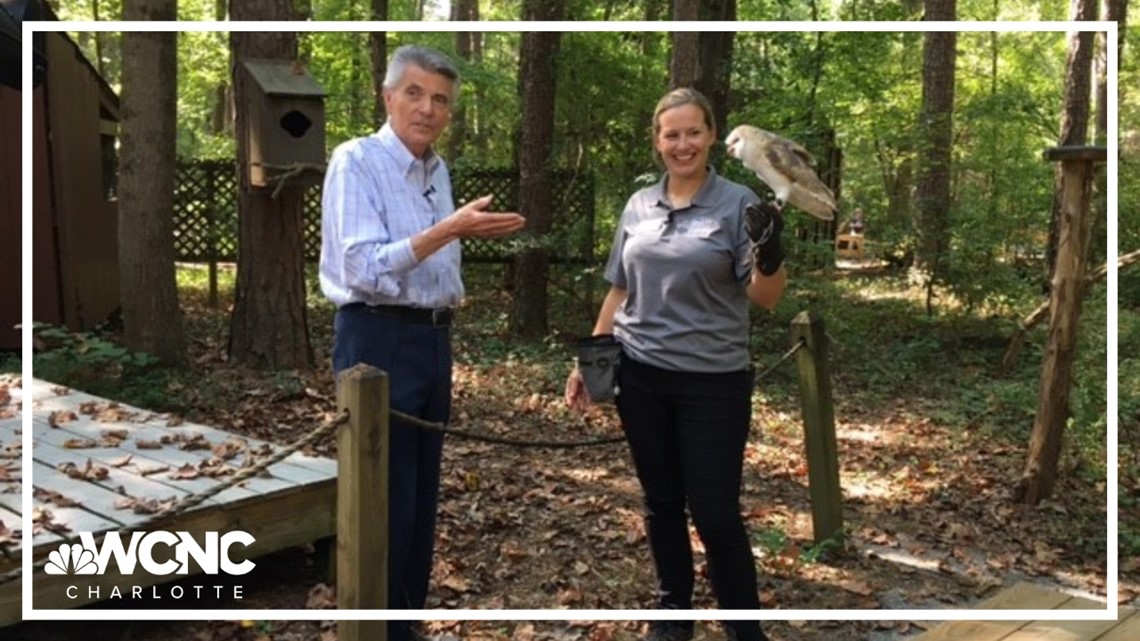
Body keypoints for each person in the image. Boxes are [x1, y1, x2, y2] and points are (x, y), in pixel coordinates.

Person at [319, 44, 525, 641]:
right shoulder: (357, 160)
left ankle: (405, 623)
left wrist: (452, 231)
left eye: (440, 99)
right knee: (383, 500)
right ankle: (373, 628)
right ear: (388, 97)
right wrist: (451, 229)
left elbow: (433, 266)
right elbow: (362, 268)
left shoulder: (437, 170)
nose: (428, 109)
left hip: (434, 343)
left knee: (421, 497)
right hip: (376, 339)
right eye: (415, 93)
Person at [565, 88, 783, 641]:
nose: (681, 144)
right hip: (641, 376)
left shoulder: (739, 203)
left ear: (712, 135)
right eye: (671, 134)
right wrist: (590, 360)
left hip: (714, 382)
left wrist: (771, 255)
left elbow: (766, 297)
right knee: (661, 503)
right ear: (657, 141)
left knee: (714, 512)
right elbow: (619, 290)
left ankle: (744, 630)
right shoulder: (638, 204)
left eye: (692, 132)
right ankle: (672, 616)